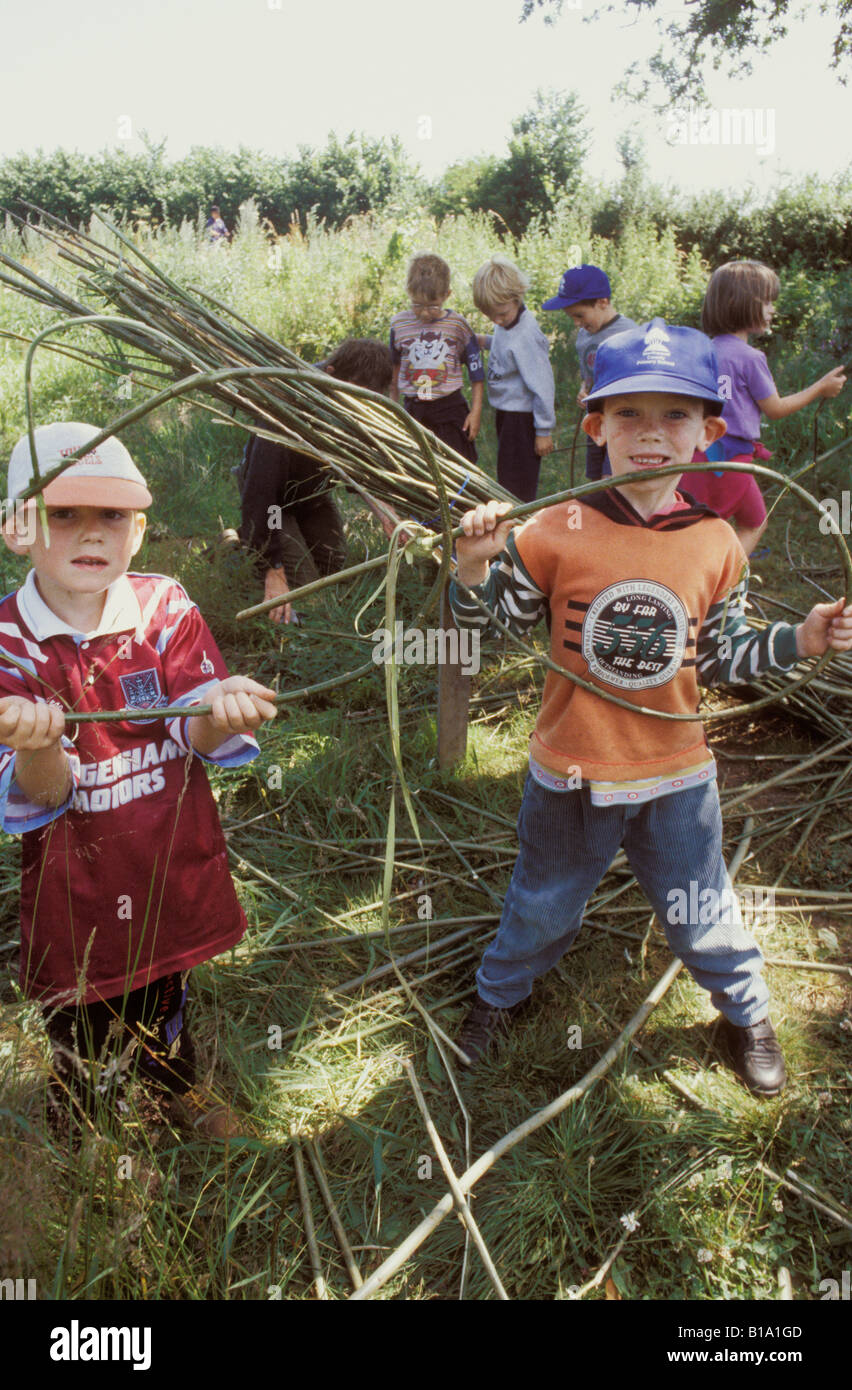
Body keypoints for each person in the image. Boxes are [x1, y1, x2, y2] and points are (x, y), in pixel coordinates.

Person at [448, 319, 852, 1095]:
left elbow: (724, 654)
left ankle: (744, 1010)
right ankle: (497, 1000)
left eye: (675, 416)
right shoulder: (553, 530)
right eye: (630, 414)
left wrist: (799, 639)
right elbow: (493, 630)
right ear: (597, 428)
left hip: (675, 777)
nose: (651, 434)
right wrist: (472, 570)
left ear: (709, 432)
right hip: (570, 772)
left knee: (702, 907)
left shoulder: (715, 543)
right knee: (542, 902)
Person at [0, 423, 278, 1140]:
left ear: (139, 530)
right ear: (17, 525)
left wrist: (224, 710)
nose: (91, 533)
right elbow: (46, 795)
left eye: (112, 515)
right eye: (63, 513)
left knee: (168, 991)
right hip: (77, 893)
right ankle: (91, 1136)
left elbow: (194, 728)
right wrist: (39, 746)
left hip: (169, 869)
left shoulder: (165, 608)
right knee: (84, 1027)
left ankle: (174, 1088)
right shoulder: (8, 644)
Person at [680, 259, 847, 551]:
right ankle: (724, 579)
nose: (773, 309)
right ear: (739, 302)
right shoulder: (750, 358)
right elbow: (776, 409)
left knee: (695, 523)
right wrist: (820, 388)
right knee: (755, 522)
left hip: (697, 456)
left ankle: (710, 577)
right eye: (767, 301)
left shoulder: (701, 351)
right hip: (734, 461)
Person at [238, 338, 395, 624]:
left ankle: (269, 547)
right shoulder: (286, 406)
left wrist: (383, 510)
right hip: (274, 507)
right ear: (331, 373)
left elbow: (358, 466)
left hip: (311, 497)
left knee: (333, 566)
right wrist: (273, 569)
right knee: (309, 596)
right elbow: (261, 499)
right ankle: (237, 549)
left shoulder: (355, 404)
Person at [542, 263, 637, 481]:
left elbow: (637, 387)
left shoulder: (629, 335)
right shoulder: (585, 336)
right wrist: (584, 390)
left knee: (612, 480)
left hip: (622, 424)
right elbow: (589, 375)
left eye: (580, 315)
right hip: (595, 421)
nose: (576, 324)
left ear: (602, 302)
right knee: (594, 481)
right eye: (571, 318)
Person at [472, 255, 556, 503]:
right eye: (490, 316)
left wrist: (543, 430)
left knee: (518, 479)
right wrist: (484, 341)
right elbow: (505, 348)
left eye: (500, 314)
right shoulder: (506, 323)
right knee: (507, 473)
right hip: (507, 414)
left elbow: (543, 385)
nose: (496, 320)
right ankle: (512, 516)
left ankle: (520, 520)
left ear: (516, 298)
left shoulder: (527, 335)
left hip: (523, 419)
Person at [389, 252, 484, 467]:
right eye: (417, 305)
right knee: (419, 469)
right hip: (414, 410)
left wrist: (476, 412)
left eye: (432, 305)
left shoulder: (457, 326)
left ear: (446, 294)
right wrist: (394, 411)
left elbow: (477, 374)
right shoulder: (399, 325)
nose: (424, 313)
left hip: (449, 410)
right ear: (408, 293)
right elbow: (393, 375)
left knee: (459, 467)